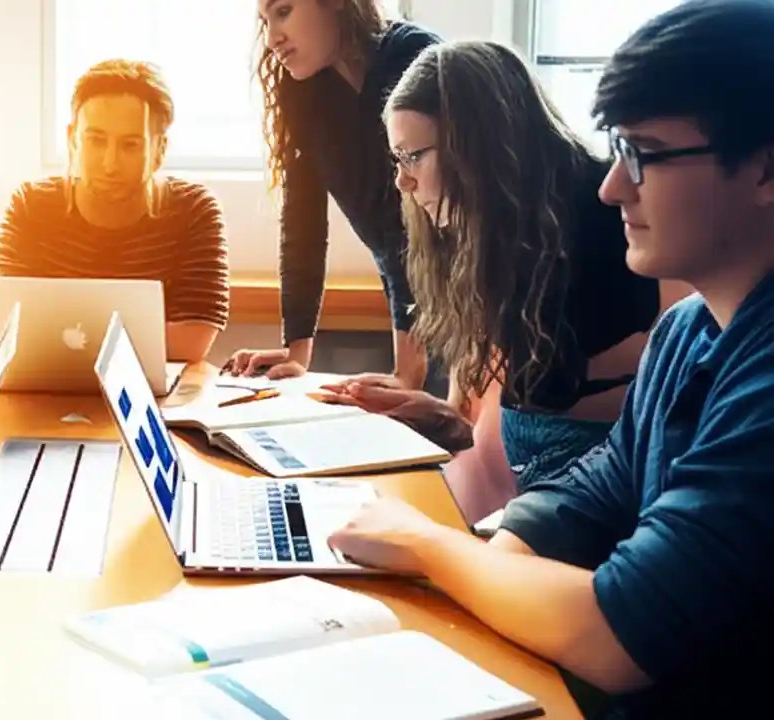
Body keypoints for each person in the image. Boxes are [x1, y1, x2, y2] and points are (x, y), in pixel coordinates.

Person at [329, 2, 774, 717]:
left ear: (764, 167)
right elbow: (588, 495)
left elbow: (621, 635)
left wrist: (428, 546)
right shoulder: (687, 331)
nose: (611, 186)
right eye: (616, 150)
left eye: (643, 154)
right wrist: (491, 559)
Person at [319, 41, 687, 487]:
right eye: (397, 159)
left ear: (475, 148)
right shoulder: (487, 238)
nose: (403, 181)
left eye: (413, 156)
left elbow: (631, 423)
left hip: (600, 485)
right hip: (532, 484)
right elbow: (478, 424)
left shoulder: (610, 226)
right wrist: (429, 414)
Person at [225, 0, 441, 386]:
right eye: (265, 21)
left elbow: (421, 231)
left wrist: (410, 372)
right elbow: (303, 223)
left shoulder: (417, 61)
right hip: (422, 306)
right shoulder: (306, 90)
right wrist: (297, 352)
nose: (272, 38)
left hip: (486, 304)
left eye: (284, 11)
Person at [0, 59, 229, 363]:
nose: (110, 164)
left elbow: (191, 340)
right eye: (96, 141)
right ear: (72, 139)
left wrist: (66, 336)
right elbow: (3, 325)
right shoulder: (31, 205)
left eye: (130, 145)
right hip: (44, 382)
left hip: (152, 388)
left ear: (159, 150)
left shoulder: (194, 211)